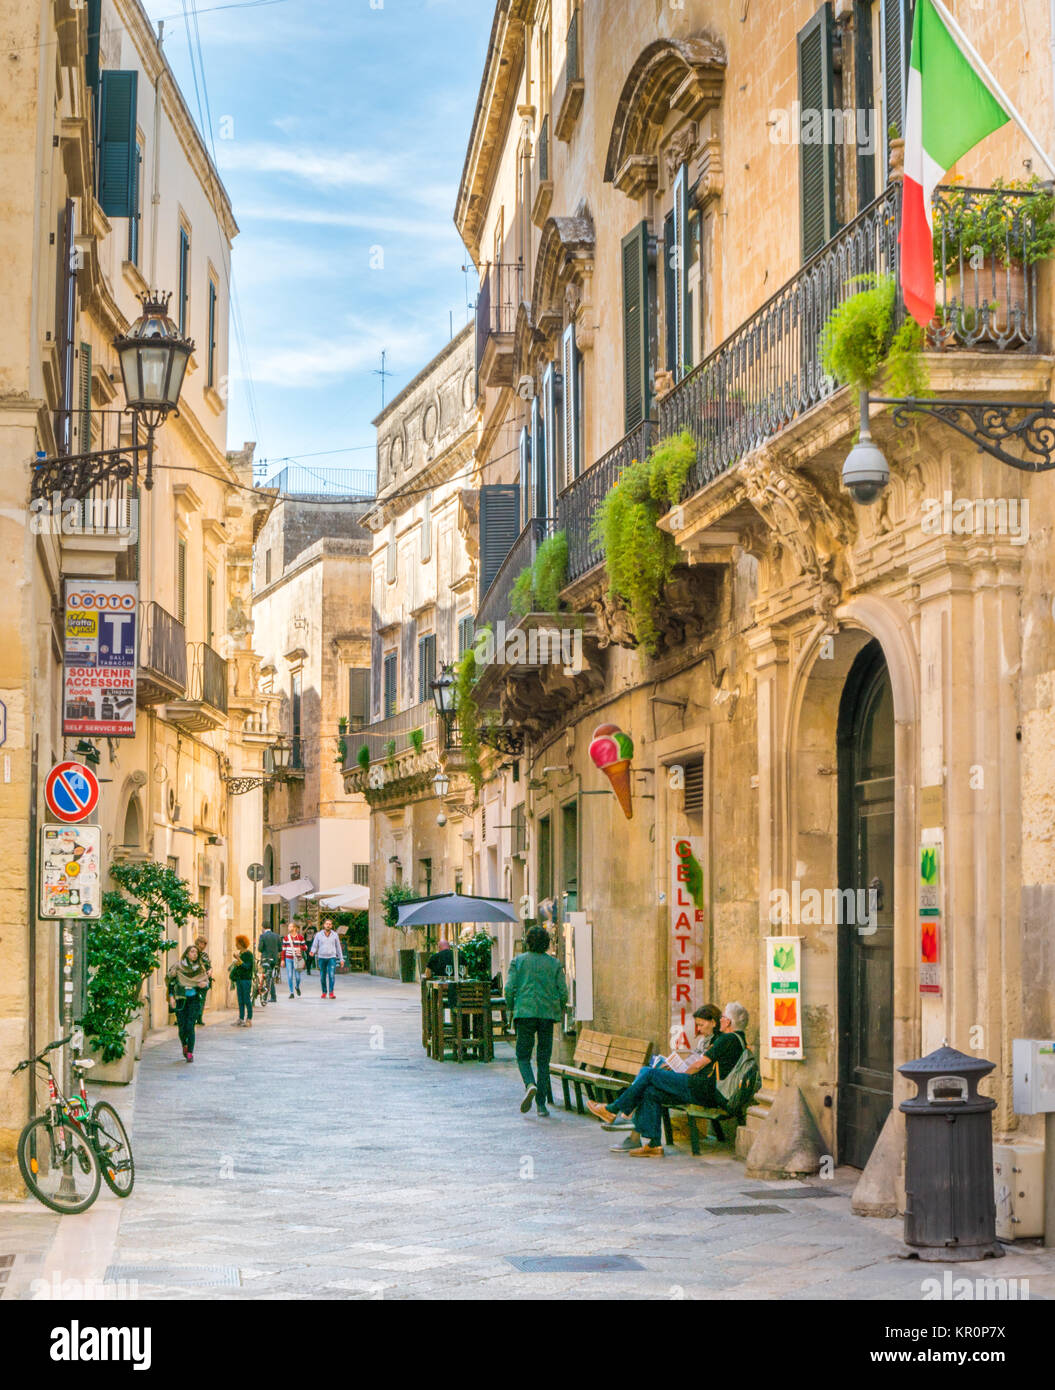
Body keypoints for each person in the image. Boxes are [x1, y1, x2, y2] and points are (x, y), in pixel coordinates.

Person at [587, 1002, 750, 1157]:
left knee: (648, 1073)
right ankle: (654, 1145)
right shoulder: (739, 1040)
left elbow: (699, 1065)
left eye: (722, 1017)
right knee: (651, 1092)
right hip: (705, 1090)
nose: (720, 1019)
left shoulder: (728, 1039)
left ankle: (613, 1109)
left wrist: (679, 1075)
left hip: (702, 1089)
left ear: (727, 1021)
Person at [504, 925, 568, 1118]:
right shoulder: (555, 964)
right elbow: (563, 992)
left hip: (524, 1013)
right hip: (547, 1015)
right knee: (543, 1060)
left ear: (527, 942)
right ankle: (541, 1105)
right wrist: (559, 1007)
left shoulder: (518, 962)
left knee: (523, 1055)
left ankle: (529, 1084)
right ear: (547, 943)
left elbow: (508, 989)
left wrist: (511, 1007)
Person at [166, 944, 210, 1062]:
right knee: (182, 1027)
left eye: (196, 952)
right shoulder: (178, 966)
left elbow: (206, 982)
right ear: (187, 953)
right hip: (181, 999)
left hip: (194, 999)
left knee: (191, 1026)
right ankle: (184, 1045)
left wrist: (205, 985)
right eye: (192, 952)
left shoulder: (200, 968)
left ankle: (190, 1052)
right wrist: (171, 997)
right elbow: (171, 982)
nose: (194, 954)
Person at [311, 918, 344, 998]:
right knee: (322, 976)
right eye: (327, 924)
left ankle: (331, 992)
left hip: (331, 958)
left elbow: (338, 947)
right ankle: (324, 992)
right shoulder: (318, 935)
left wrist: (341, 959)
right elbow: (315, 945)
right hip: (322, 958)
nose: (328, 925)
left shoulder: (335, 935)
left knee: (331, 975)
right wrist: (312, 951)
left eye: (330, 924)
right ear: (324, 925)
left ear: (331, 926)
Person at [230, 934, 256, 1027]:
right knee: (240, 1000)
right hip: (239, 979)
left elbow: (247, 966)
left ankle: (249, 1019)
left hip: (246, 980)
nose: (236, 945)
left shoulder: (248, 954)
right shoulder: (240, 954)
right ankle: (241, 1019)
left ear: (241, 943)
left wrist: (238, 959)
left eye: (237, 943)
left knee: (246, 999)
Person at [282, 923, 307, 998]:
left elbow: (305, 947)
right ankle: (291, 992)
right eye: (289, 926)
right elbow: (283, 950)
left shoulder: (300, 937)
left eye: (290, 926)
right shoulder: (286, 938)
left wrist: (301, 948)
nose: (289, 928)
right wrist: (282, 960)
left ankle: (297, 987)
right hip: (288, 958)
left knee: (298, 977)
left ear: (295, 928)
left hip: (298, 959)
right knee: (289, 976)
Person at [193, 934, 213, 1025]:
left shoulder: (205, 955)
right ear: (198, 943)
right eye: (203, 943)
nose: (204, 946)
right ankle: (194, 1016)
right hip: (195, 980)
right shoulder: (192, 953)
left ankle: (199, 1017)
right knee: (195, 999)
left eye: (206, 944)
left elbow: (209, 966)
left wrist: (210, 971)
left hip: (204, 980)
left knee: (202, 999)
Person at [258, 922, 281, 1002]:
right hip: (274, 959)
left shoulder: (262, 936)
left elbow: (260, 948)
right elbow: (280, 948)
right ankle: (271, 996)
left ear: (263, 927)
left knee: (268, 977)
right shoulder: (276, 936)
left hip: (265, 959)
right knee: (269, 976)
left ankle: (271, 996)